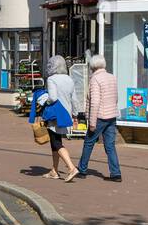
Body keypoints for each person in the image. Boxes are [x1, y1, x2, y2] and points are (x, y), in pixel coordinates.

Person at [32, 55, 79, 181]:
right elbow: (74, 99)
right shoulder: (69, 79)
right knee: (55, 141)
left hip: (55, 114)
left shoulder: (51, 79)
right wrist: (75, 115)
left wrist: (43, 102)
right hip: (66, 114)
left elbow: (52, 97)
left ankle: (71, 168)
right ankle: (54, 170)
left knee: (57, 143)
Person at [78, 54, 121, 182]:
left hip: (99, 116)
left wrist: (92, 122)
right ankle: (116, 173)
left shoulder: (95, 79)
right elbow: (116, 97)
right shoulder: (112, 77)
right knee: (110, 146)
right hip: (111, 116)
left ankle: (82, 169)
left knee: (89, 143)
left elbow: (95, 102)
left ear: (92, 66)